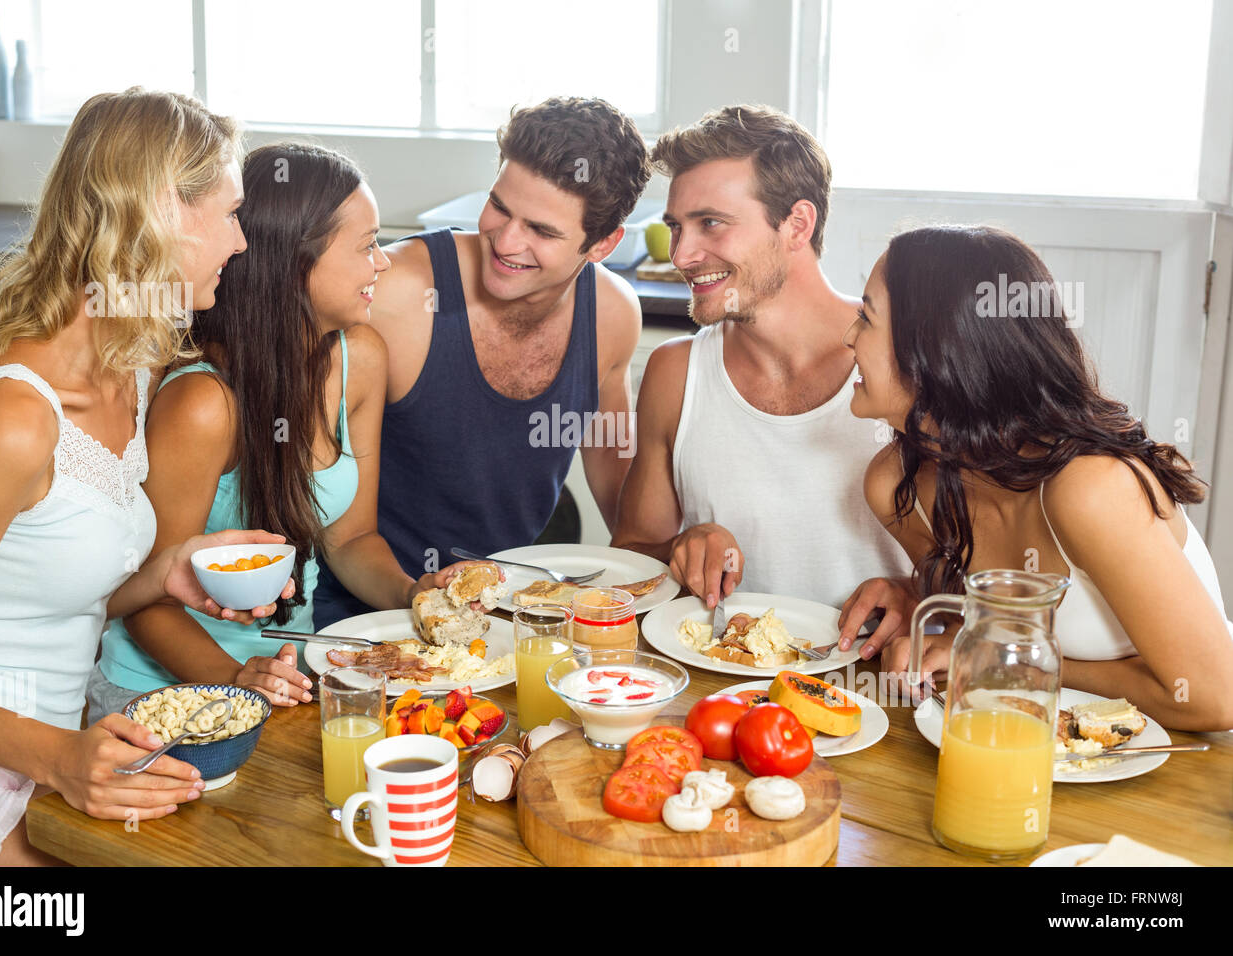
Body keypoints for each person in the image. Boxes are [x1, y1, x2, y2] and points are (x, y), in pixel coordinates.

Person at [0, 88, 289, 866]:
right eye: (229, 214)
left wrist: (167, 574)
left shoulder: (131, 369)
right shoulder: (14, 420)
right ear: (161, 213)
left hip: (69, 762)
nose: (239, 243)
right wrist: (57, 756)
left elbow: (50, 592)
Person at [90, 144, 485, 719]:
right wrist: (236, 679)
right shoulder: (204, 403)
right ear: (297, 265)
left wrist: (414, 595)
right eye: (366, 244)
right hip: (162, 697)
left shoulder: (360, 359)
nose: (383, 262)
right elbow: (146, 599)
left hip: (286, 680)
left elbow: (349, 541)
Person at [841, 225, 1233, 730]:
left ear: (936, 350)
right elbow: (977, 627)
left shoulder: (1088, 488)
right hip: (1052, 748)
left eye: (866, 318)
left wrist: (1008, 666)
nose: (848, 336)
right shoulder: (896, 485)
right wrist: (924, 616)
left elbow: (1214, 698)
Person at [313, 96, 652, 629]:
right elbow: (329, 520)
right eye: (500, 207)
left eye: (541, 231)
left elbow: (624, 503)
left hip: (506, 622)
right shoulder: (396, 294)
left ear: (603, 244)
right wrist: (418, 601)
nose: (507, 240)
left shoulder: (613, 314)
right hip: (366, 619)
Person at [610, 105, 908, 622]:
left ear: (797, 223)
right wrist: (682, 548)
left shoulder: (904, 362)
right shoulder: (675, 374)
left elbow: (983, 564)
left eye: (711, 224)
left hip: (880, 686)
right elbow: (630, 562)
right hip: (724, 688)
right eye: (677, 227)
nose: (681, 255)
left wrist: (917, 593)